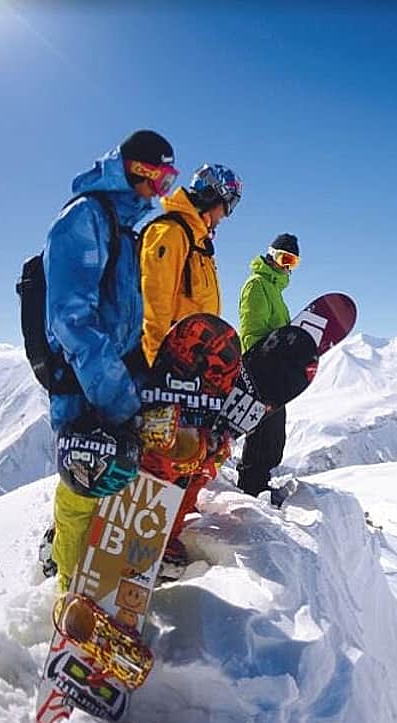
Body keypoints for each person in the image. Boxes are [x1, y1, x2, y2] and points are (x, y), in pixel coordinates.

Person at [41, 130, 178, 591]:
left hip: (115, 377)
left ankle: (102, 582)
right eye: (161, 180)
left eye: (169, 182)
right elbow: (71, 319)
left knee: (113, 484)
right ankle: (69, 589)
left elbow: (124, 316)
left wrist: (143, 377)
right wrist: (119, 395)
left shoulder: (125, 226)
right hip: (84, 385)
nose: (162, 193)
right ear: (137, 171)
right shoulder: (85, 219)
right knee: (84, 483)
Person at [138, 164, 242, 576]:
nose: (225, 217)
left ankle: (166, 534)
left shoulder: (199, 244)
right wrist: (154, 378)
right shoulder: (171, 234)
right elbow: (154, 311)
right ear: (215, 199)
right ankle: (142, 545)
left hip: (195, 378)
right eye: (227, 207)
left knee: (207, 453)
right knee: (164, 462)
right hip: (166, 375)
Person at [236, 233, 300, 500]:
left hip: (275, 370)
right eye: (284, 258)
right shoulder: (257, 284)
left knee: (275, 430)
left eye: (293, 262)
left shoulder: (274, 289)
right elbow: (252, 332)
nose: (286, 266)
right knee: (262, 428)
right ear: (272, 254)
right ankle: (251, 486)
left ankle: (261, 483)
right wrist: (270, 353)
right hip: (260, 368)